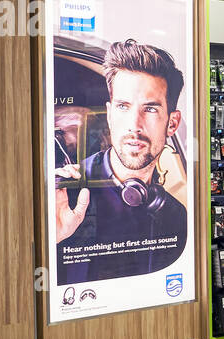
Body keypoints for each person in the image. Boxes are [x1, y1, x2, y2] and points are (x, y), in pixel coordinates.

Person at [54, 39, 189, 284]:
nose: (134, 125)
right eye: (123, 106)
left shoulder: (175, 215)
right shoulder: (66, 195)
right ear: (109, 113)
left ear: (172, 123)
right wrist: (50, 240)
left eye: (150, 109)